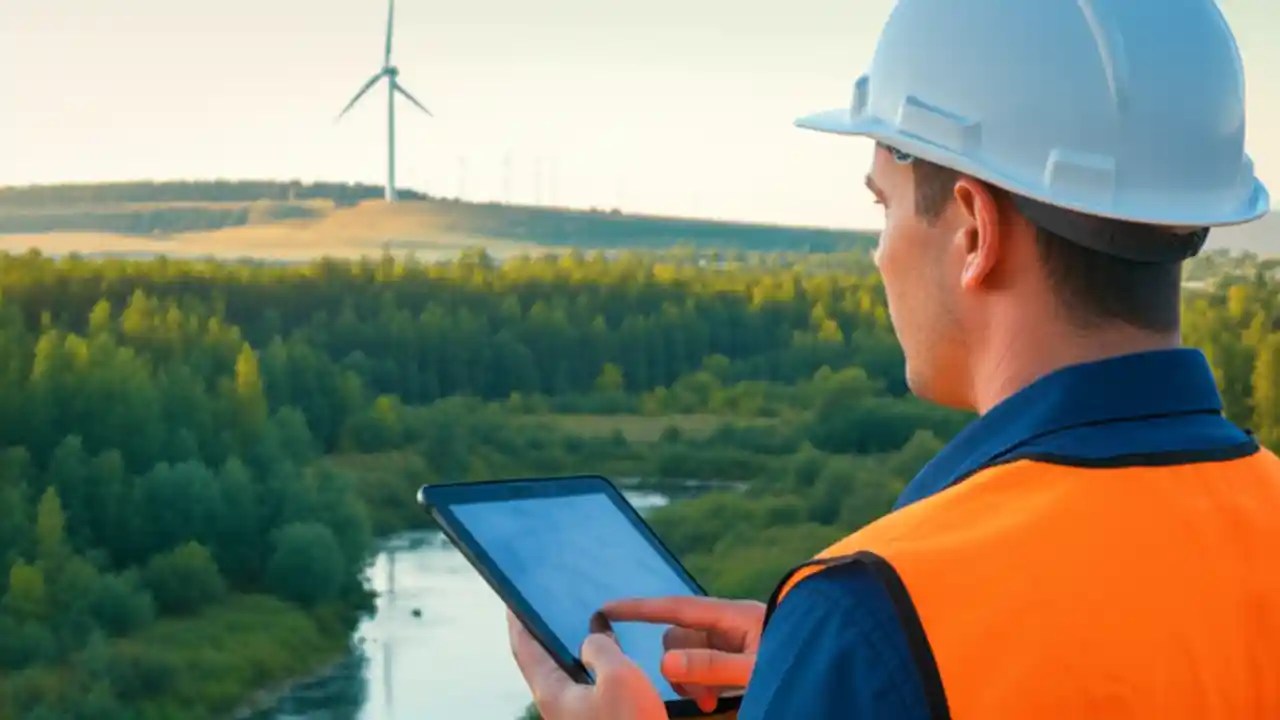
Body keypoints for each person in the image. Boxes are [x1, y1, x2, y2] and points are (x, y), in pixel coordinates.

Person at [508, 0, 1280, 717]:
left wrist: (848, 655)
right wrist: (811, 663)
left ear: (973, 231)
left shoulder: (880, 609)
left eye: (882, 205)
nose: (880, 253)